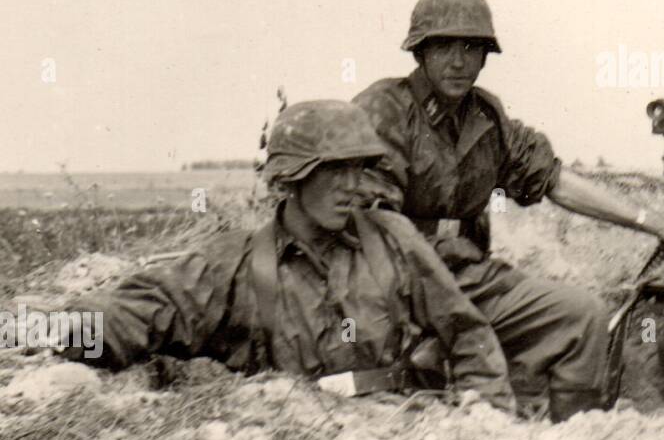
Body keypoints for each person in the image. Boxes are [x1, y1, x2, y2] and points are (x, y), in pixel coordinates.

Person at [353, 0, 664, 420]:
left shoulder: (486, 117)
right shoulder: (384, 110)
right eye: (444, 47)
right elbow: (371, 222)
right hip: (396, 283)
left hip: (467, 274)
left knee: (582, 315)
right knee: (434, 364)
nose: (459, 61)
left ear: (485, 55)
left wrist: (651, 221)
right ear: (420, 51)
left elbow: (554, 179)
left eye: (472, 48)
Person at [59, 100, 516, 413]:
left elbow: (467, 334)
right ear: (291, 180)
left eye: (358, 170)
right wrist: (55, 330)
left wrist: (487, 420)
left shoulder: (394, 238)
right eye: (334, 171)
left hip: (410, 429)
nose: (352, 187)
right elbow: (149, 309)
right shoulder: (234, 265)